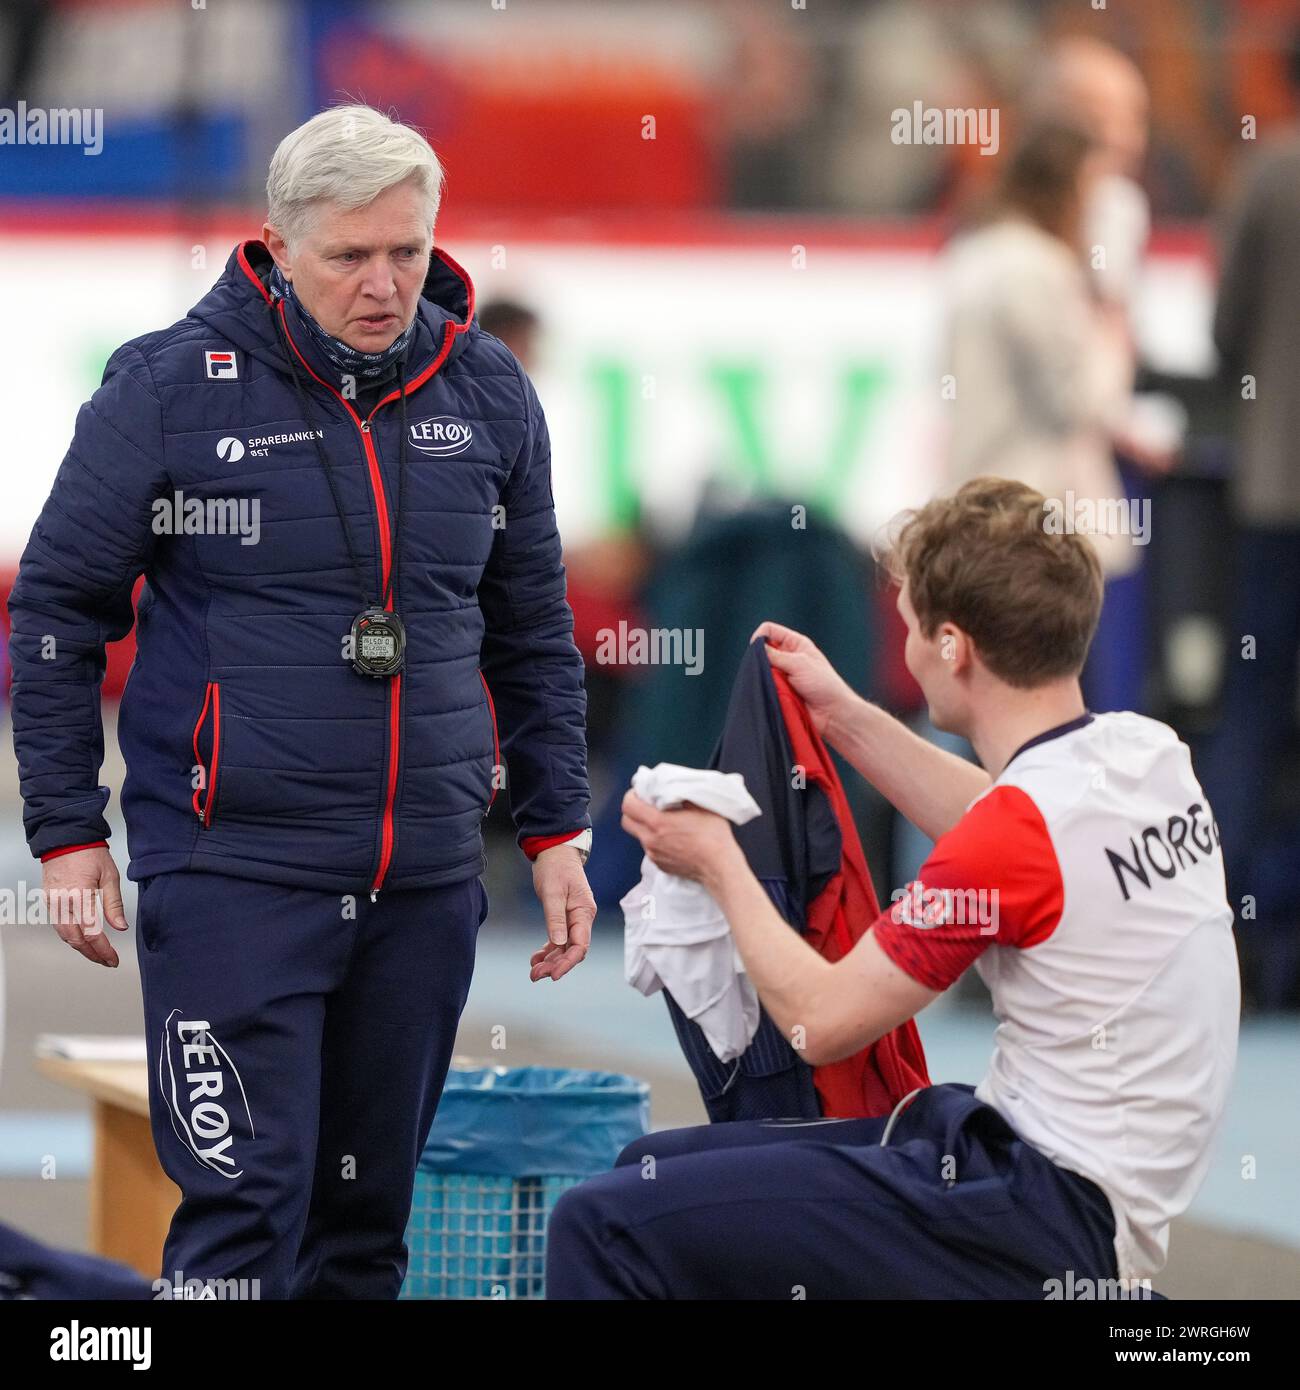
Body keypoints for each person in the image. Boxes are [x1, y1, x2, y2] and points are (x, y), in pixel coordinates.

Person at [6, 104, 594, 1299]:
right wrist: (68, 832)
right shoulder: (169, 387)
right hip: (233, 873)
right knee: (242, 1219)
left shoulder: (487, 393)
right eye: (349, 256)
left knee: (365, 1229)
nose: (384, 284)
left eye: (408, 252)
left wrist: (556, 827)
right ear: (276, 244)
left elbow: (534, 633)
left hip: (422, 877)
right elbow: (57, 612)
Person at [546, 477, 1239, 1300]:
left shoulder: (1014, 836)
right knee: (650, 1172)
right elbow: (1003, 819)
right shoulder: (1145, 756)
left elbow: (821, 1023)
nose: (901, 649)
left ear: (955, 647)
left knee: (602, 1223)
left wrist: (721, 864)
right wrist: (844, 717)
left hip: (1036, 1215)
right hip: (1051, 1178)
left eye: (909, 628)